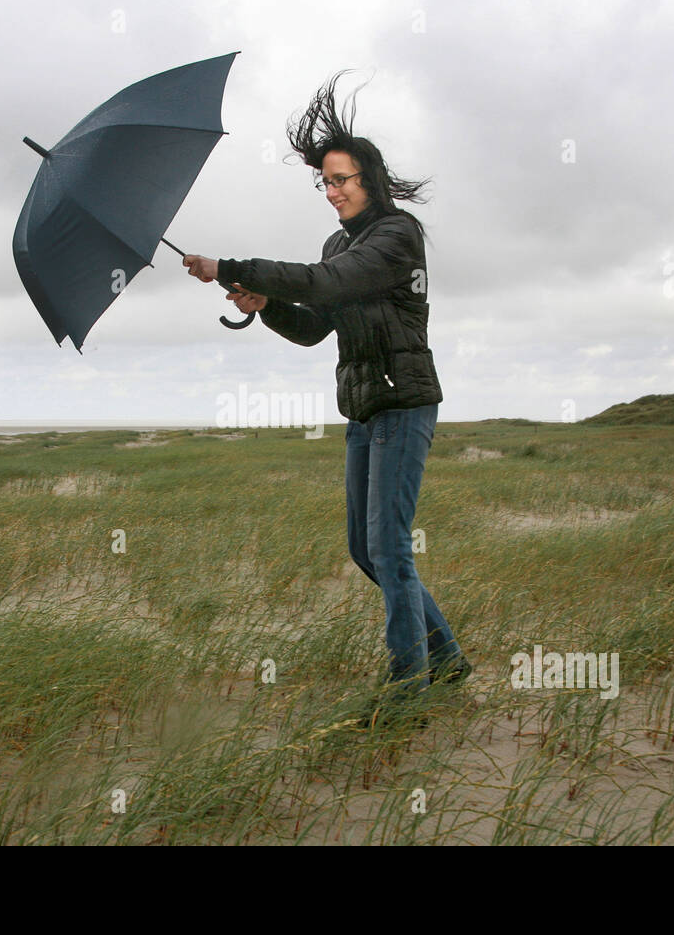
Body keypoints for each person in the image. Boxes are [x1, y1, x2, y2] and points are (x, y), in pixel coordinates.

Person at [182, 70, 471, 725]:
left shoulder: (397, 237)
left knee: (391, 549)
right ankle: (448, 661)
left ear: (369, 177)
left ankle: (406, 693)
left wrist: (229, 266)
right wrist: (264, 304)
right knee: (365, 550)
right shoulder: (338, 242)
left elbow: (327, 281)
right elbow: (316, 322)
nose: (331, 191)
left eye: (340, 179)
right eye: (325, 182)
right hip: (363, 411)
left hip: (405, 404)